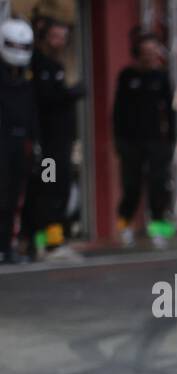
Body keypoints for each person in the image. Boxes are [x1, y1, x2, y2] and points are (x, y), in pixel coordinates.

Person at [113, 33, 174, 248]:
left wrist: (170, 141)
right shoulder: (127, 76)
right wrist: (118, 141)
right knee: (131, 187)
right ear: (137, 54)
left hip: (156, 142)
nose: (150, 57)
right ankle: (124, 227)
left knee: (158, 186)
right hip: (130, 142)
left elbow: (170, 112)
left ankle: (159, 230)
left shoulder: (161, 78)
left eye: (153, 52)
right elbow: (117, 110)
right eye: (146, 53)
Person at [28, 19, 83, 258]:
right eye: (54, 37)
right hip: (48, 144)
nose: (59, 42)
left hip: (61, 142)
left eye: (62, 37)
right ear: (43, 39)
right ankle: (48, 243)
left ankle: (52, 239)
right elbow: (46, 100)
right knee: (49, 189)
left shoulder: (55, 65)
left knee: (60, 188)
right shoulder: (39, 65)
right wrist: (70, 94)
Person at [0, 18, 36, 264]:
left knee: (14, 198)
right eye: (14, 46)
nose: (19, 52)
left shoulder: (26, 82)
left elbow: (33, 115)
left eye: (24, 47)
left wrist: (35, 143)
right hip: (3, 145)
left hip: (22, 147)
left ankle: (8, 246)